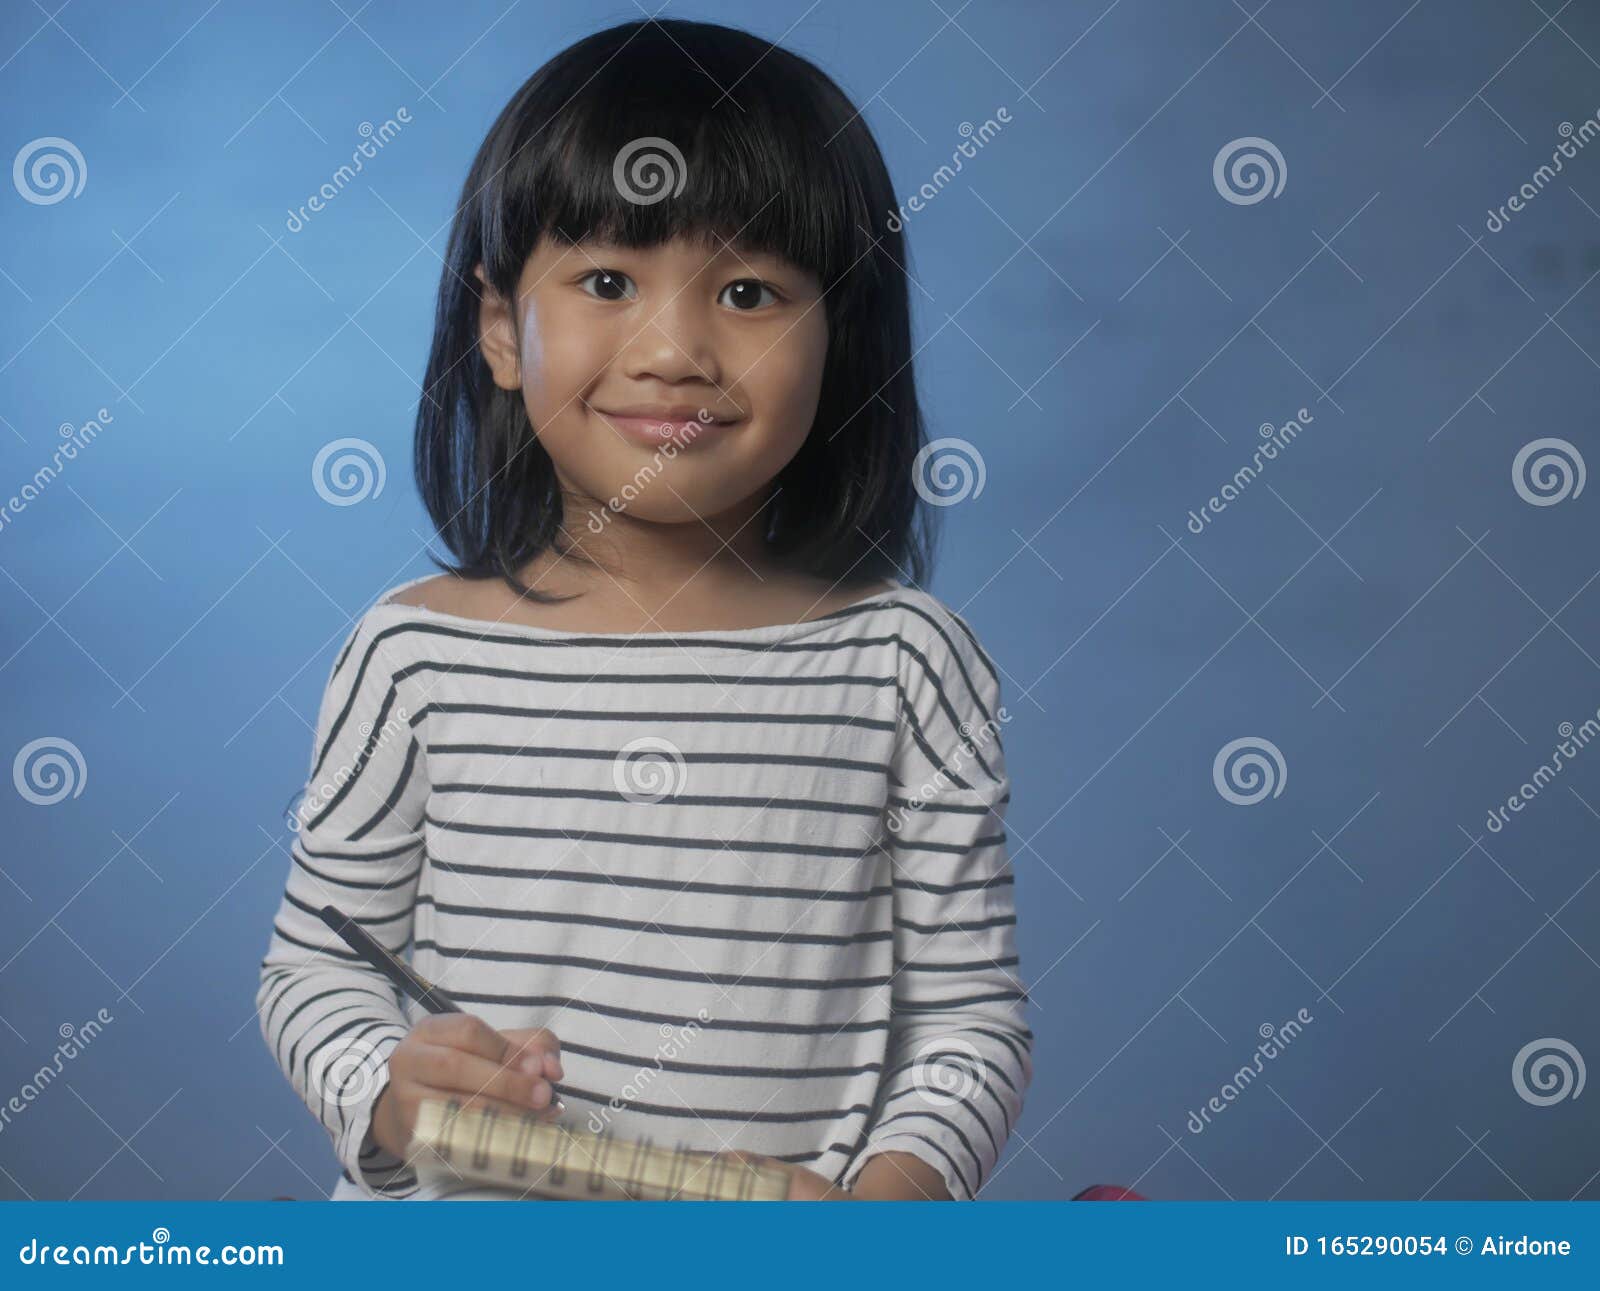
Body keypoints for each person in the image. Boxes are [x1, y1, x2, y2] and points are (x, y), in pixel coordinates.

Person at [256, 16, 1031, 1202]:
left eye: (750, 290)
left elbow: (969, 1020)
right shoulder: (413, 654)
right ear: (503, 329)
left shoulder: (902, 663)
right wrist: (387, 1086)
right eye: (608, 280)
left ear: (842, 338)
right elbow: (315, 964)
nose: (675, 349)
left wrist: (894, 1203)